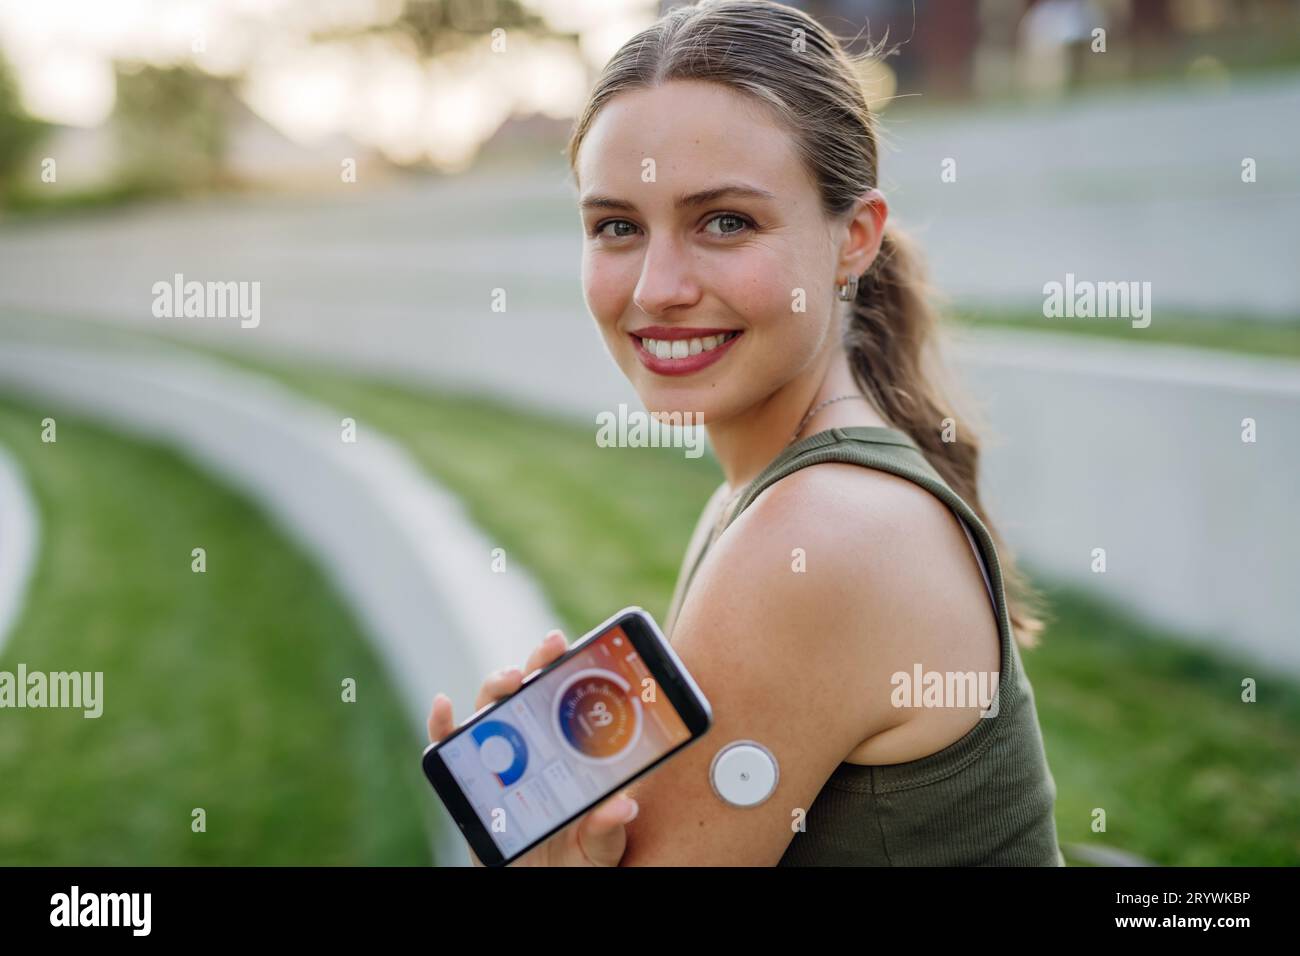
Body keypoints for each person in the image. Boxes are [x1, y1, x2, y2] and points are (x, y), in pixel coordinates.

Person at [429, 0, 1063, 866]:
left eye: (725, 221)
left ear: (855, 238)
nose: (657, 288)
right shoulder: (764, 497)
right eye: (616, 226)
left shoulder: (820, 535)